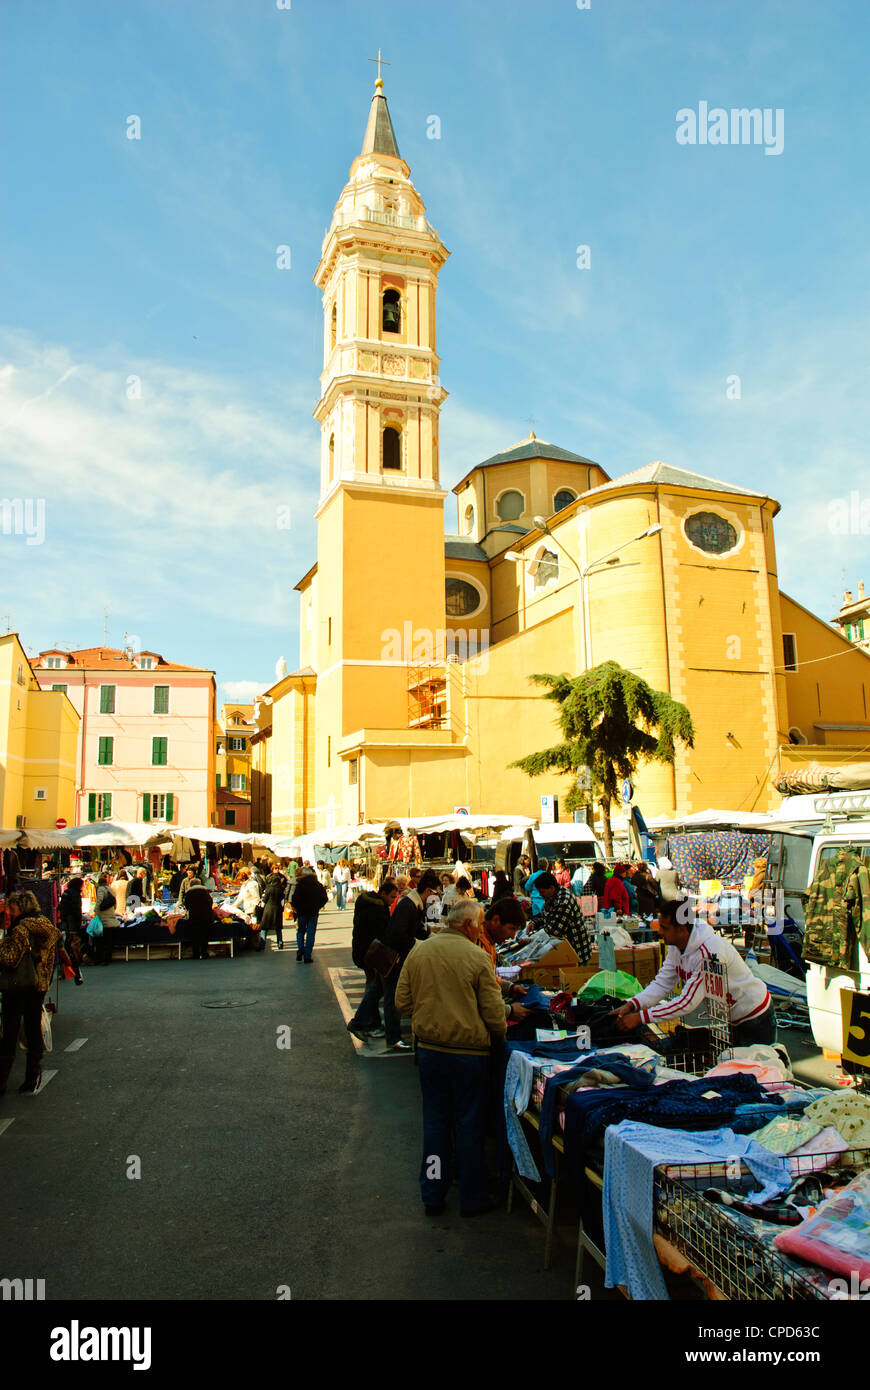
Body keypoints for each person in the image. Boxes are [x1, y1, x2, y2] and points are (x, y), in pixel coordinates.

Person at [395, 898, 507, 1216]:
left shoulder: (421, 950)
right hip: (468, 1053)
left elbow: (402, 1002)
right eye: (480, 924)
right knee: (468, 1126)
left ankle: (433, 1193)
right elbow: (494, 1013)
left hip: (430, 1050)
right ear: (468, 925)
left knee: (435, 1125)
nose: (481, 930)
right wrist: (497, 1032)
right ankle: (472, 1198)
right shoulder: (476, 956)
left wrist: (430, 1013)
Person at [614, 896, 775, 1045]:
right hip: (734, 1017)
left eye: (664, 927)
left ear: (681, 930)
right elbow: (663, 983)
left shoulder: (710, 953)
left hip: (755, 1016)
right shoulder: (676, 946)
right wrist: (632, 1004)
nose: (660, 932)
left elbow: (687, 1002)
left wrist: (640, 1017)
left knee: (761, 1068)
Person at [0, 889, 62, 1095]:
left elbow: (9, 959)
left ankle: (2, 1079)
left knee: (10, 1030)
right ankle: (32, 1076)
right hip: (38, 986)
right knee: (32, 1028)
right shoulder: (45, 925)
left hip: (17, 986)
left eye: (12, 907)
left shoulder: (20, 929)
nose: (10, 911)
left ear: (20, 907)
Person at [380, 868, 441, 1050]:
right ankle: (393, 1037)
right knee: (392, 997)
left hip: (398, 956)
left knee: (382, 992)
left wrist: (433, 937)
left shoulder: (414, 904)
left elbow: (417, 930)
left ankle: (361, 1023)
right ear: (428, 892)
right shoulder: (409, 905)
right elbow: (399, 934)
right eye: (434, 894)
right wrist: (419, 944)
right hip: (394, 958)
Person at [346, 878, 399, 1039]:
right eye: (391, 897)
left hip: (363, 952)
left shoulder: (366, 902)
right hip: (372, 954)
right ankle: (369, 1023)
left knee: (374, 987)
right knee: (374, 988)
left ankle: (369, 1022)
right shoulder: (377, 909)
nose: (392, 902)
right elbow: (382, 933)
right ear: (383, 893)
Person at [536, 872, 594, 963]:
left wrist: (536, 935)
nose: (540, 894)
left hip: (577, 950)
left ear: (551, 888)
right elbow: (546, 916)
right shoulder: (552, 897)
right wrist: (535, 923)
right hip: (567, 950)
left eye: (542, 891)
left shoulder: (564, 900)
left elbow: (555, 931)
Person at [291, 868, 329, 962]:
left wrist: (296, 908)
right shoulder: (318, 885)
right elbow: (325, 898)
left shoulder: (299, 885)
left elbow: (294, 898)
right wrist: (318, 906)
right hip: (313, 913)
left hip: (301, 913)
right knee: (310, 934)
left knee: (300, 931)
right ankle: (307, 955)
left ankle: (300, 949)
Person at [59, 876, 85, 983]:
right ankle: (75, 972)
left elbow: (61, 908)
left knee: (65, 947)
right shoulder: (75, 894)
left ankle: (65, 971)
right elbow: (76, 910)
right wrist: (79, 921)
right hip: (72, 923)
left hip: (65, 923)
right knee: (74, 947)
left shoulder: (66, 893)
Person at [184, 880, 217, 960]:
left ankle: (196, 954)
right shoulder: (205, 892)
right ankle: (204, 953)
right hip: (206, 917)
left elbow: (186, 905)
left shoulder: (189, 893)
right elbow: (210, 903)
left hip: (194, 917)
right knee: (205, 935)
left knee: (195, 936)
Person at [260, 866, 289, 949]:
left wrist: (262, 907)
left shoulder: (269, 889)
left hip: (268, 910)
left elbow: (264, 900)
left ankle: (262, 944)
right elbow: (283, 901)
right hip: (277, 909)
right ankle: (280, 943)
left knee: (264, 927)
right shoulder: (281, 889)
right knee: (278, 928)